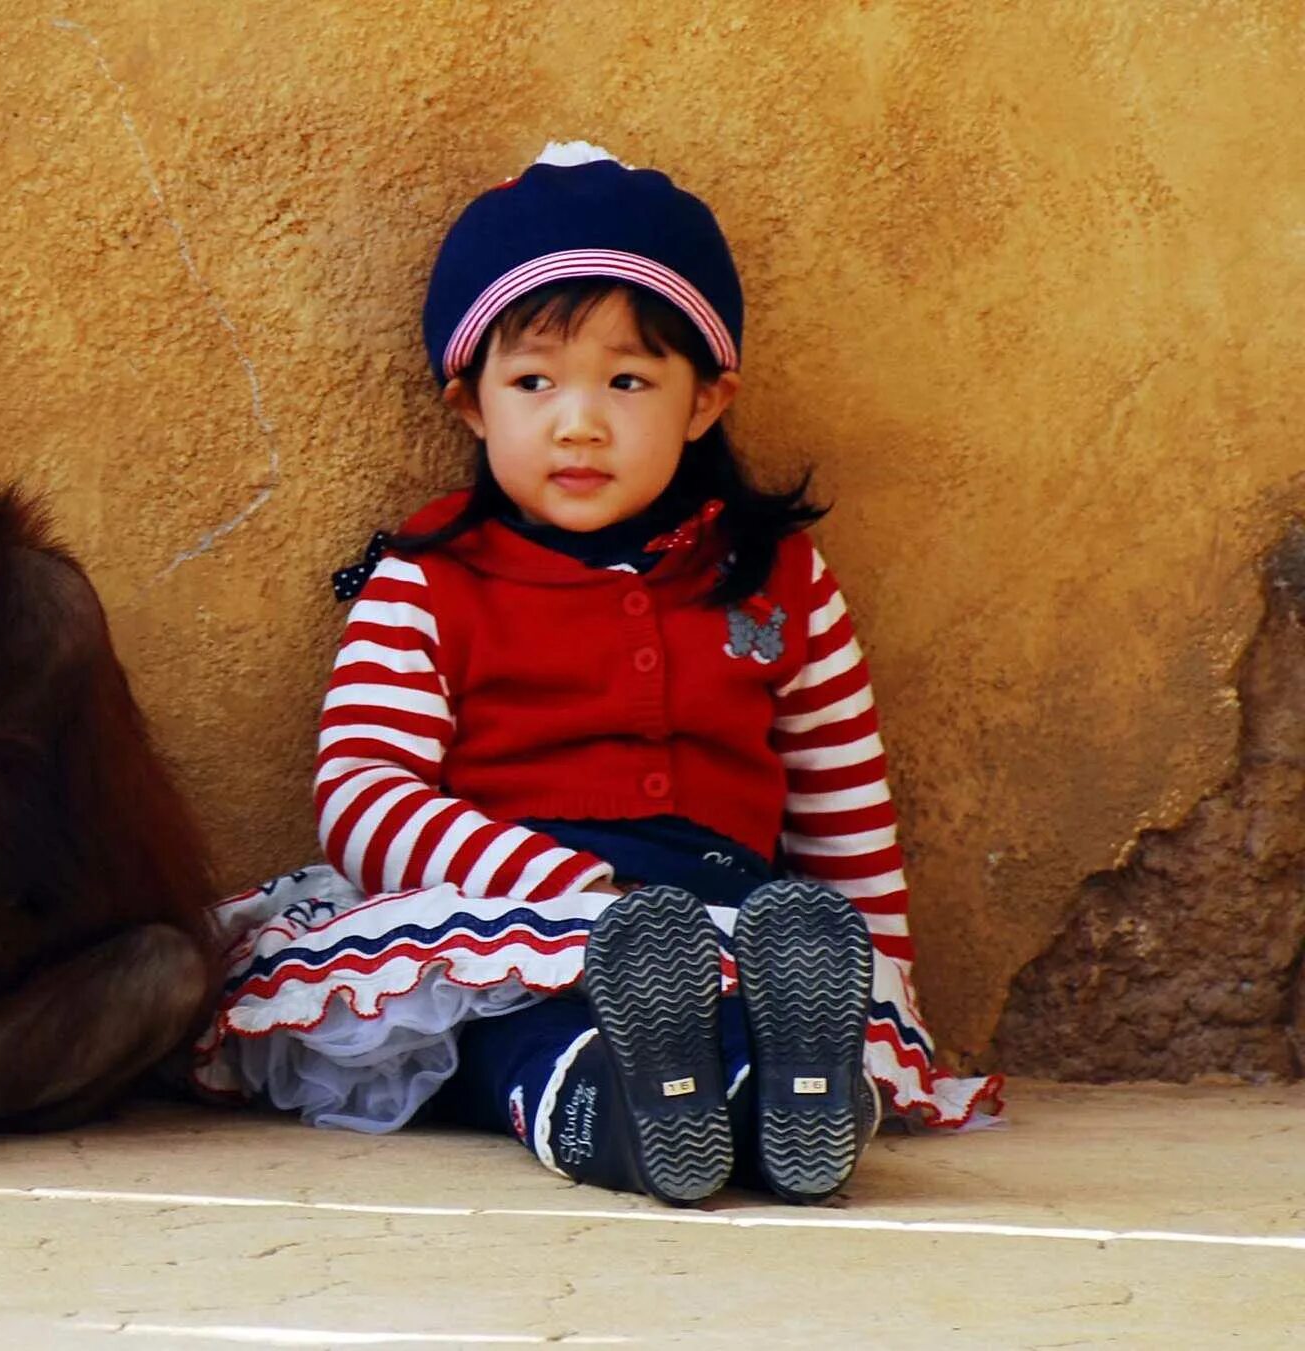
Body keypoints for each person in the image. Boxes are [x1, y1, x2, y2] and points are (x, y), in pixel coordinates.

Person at [194, 142, 1002, 1206]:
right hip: (498, 906)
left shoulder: (779, 583)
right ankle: (618, 1121)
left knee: (746, 1009)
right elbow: (362, 796)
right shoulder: (427, 582)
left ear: (703, 402)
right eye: (532, 381)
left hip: (724, 917)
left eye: (627, 380)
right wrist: (570, 895)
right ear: (472, 406)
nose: (577, 421)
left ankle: (803, 1097)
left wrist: (878, 989)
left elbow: (843, 811)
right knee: (526, 1035)